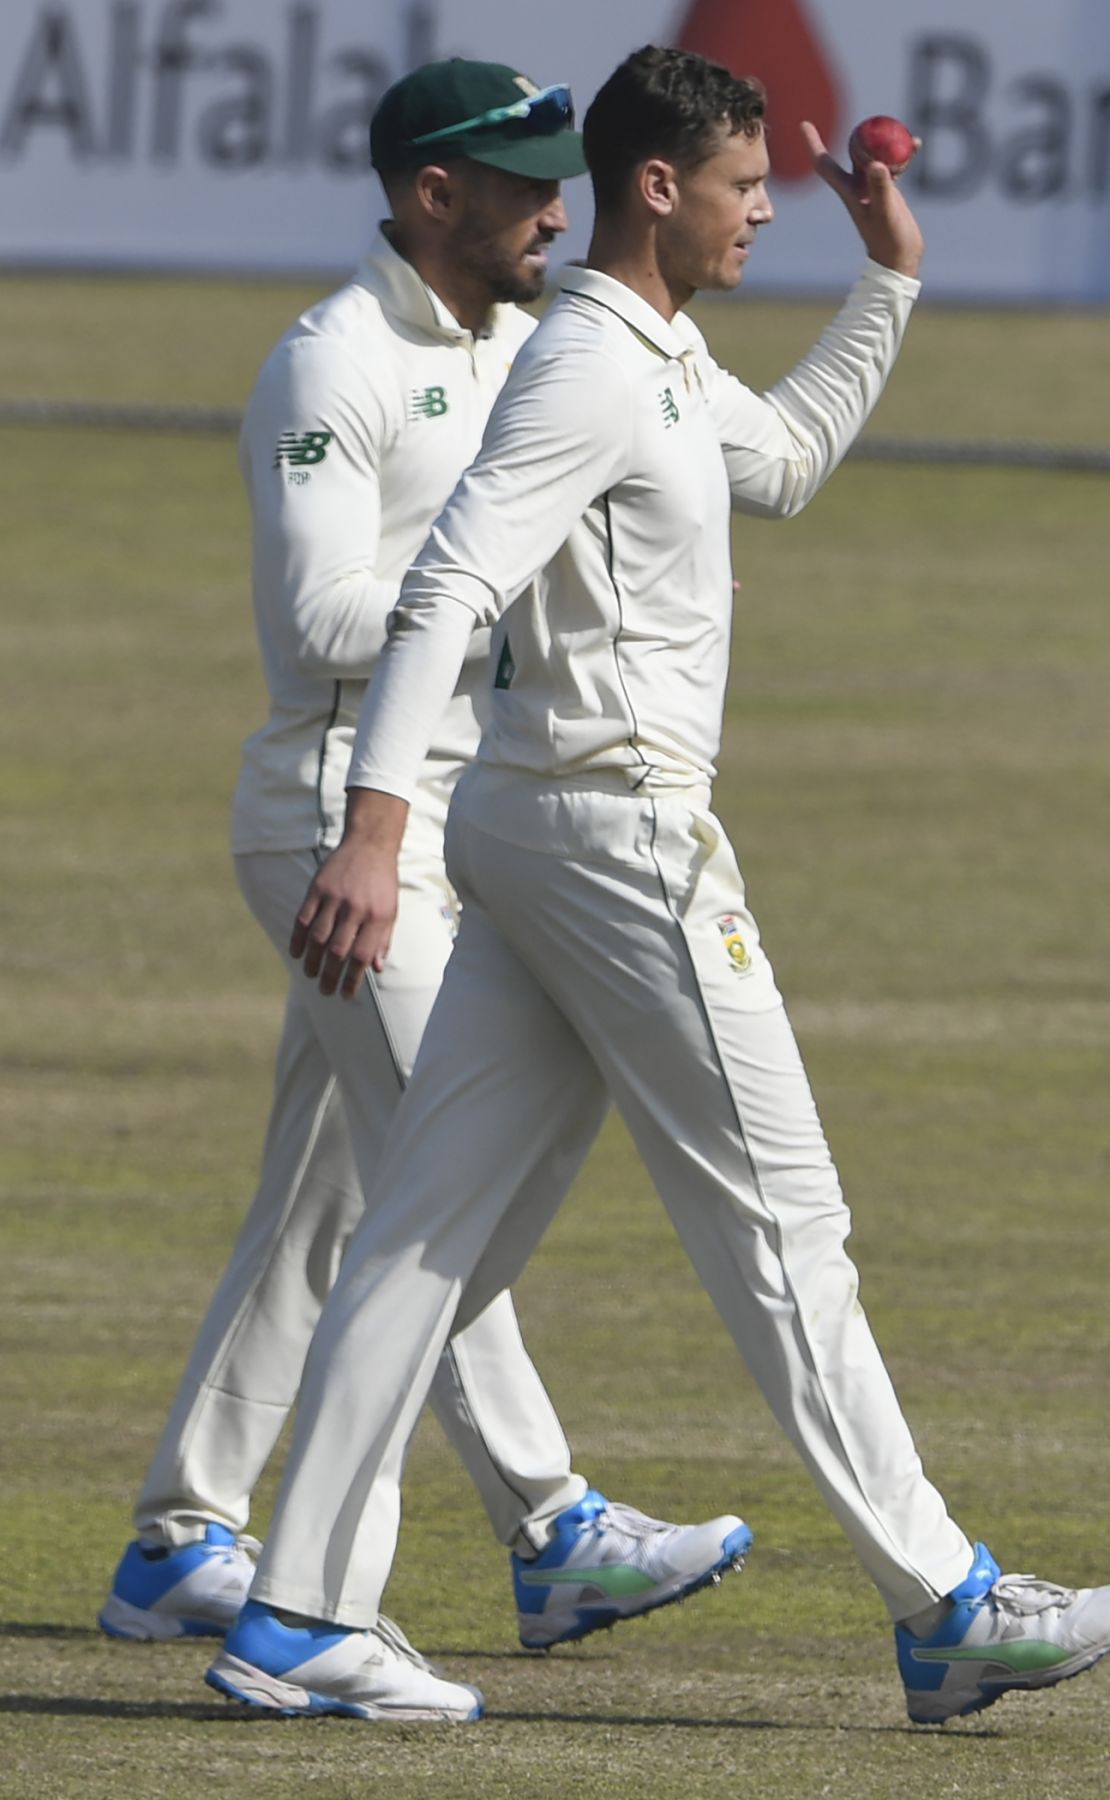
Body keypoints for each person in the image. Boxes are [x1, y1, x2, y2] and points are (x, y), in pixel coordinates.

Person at [206, 46, 1110, 1727]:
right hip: (615, 841)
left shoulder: (654, 350)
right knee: (785, 1223)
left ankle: (292, 1618)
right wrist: (368, 827)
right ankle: (947, 1600)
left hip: (539, 834)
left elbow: (779, 461)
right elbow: (440, 597)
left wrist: (889, 283)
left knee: (420, 1239)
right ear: (663, 187)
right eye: (740, 186)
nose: (763, 207)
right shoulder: (582, 364)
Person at [98, 58, 751, 1679]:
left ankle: (183, 1535)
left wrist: (885, 284)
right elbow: (319, 623)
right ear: (429, 194)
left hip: (464, 824)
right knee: (434, 1193)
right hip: (336, 828)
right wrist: (484, 586)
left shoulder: (542, 341)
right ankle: (550, 1528)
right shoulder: (333, 361)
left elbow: (757, 461)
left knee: (325, 1200)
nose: (560, 206)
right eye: (529, 180)